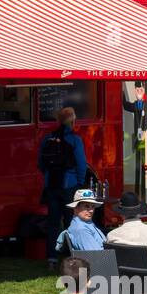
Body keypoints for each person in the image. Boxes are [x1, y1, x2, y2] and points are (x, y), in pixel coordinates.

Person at [38, 106, 88, 259]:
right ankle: (72, 256)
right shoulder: (75, 139)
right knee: (71, 222)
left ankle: (51, 258)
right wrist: (80, 183)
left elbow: (40, 163)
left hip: (51, 185)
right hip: (69, 186)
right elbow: (81, 164)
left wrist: (48, 176)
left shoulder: (48, 138)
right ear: (73, 121)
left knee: (53, 223)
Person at [106, 191, 147, 270]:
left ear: (121, 214)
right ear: (139, 212)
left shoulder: (112, 235)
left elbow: (110, 264)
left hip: (125, 280)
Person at [62, 188, 106, 253]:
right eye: (87, 206)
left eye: (93, 206)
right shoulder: (81, 229)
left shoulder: (86, 223)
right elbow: (96, 255)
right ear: (76, 208)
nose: (91, 210)